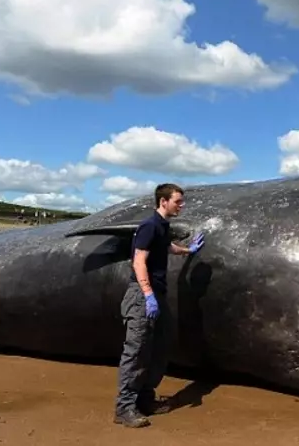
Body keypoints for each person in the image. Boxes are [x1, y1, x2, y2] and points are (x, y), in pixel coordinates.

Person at [115, 183, 205, 428]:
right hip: (143, 295)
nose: (181, 205)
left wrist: (188, 250)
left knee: (161, 346)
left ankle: (145, 399)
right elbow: (138, 261)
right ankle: (124, 407)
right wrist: (147, 294)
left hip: (158, 295)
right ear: (163, 201)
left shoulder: (162, 227)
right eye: (178, 201)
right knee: (137, 350)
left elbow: (165, 247)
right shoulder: (148, 225)